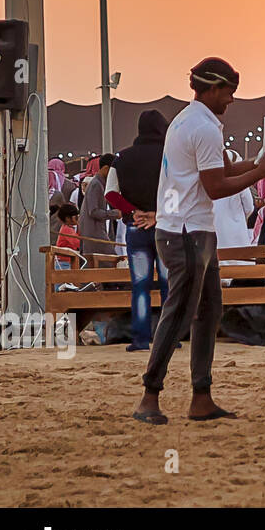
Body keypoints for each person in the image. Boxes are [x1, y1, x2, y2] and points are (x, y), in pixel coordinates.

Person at [133, 58, 265, 426]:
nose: (231, 100)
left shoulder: (187, 121)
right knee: (181, 312)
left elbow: (219, 169)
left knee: (207, 311)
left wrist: (263, 160)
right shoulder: (205, 127)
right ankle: (149, 396)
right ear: (214, 88)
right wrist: (260, 173)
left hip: (191, 231)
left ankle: (201, 397)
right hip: (187, 233)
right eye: (229, 92)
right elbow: (216, 187)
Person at [107, 109, 170, 351]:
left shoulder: (122, 157)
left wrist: (133, 212)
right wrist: (158, 214)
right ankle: (167, 338)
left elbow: (111, 193)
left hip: (136, 229)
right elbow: (178, 190)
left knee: (141, 285)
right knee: (168, 284)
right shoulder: (169, 156)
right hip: (165, 229)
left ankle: (141, 339)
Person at [78, 153, 121, 258]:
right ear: (106, 168)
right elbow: (93, 211)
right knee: (110, 262)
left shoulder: (100, 184)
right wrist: (115, 213)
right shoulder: (96, 184)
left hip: (97, 232)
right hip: (94, 234)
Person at [55, 203, 81, 267]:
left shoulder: (68, 228)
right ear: (68, 218)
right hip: (64, 263)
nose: (78, 218)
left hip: (67, 261)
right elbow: (79, 243)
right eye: (76, 217)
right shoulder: (67, 229)